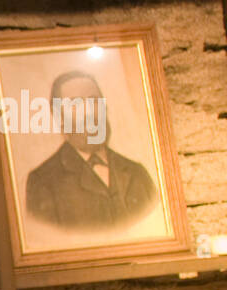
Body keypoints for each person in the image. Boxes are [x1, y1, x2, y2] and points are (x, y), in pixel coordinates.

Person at [24, 70, 156, 231]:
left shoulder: (137, 173)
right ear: (59, 116)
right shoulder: (43, 182)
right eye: (75, 104)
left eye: (94, 101)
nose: (89, 112)